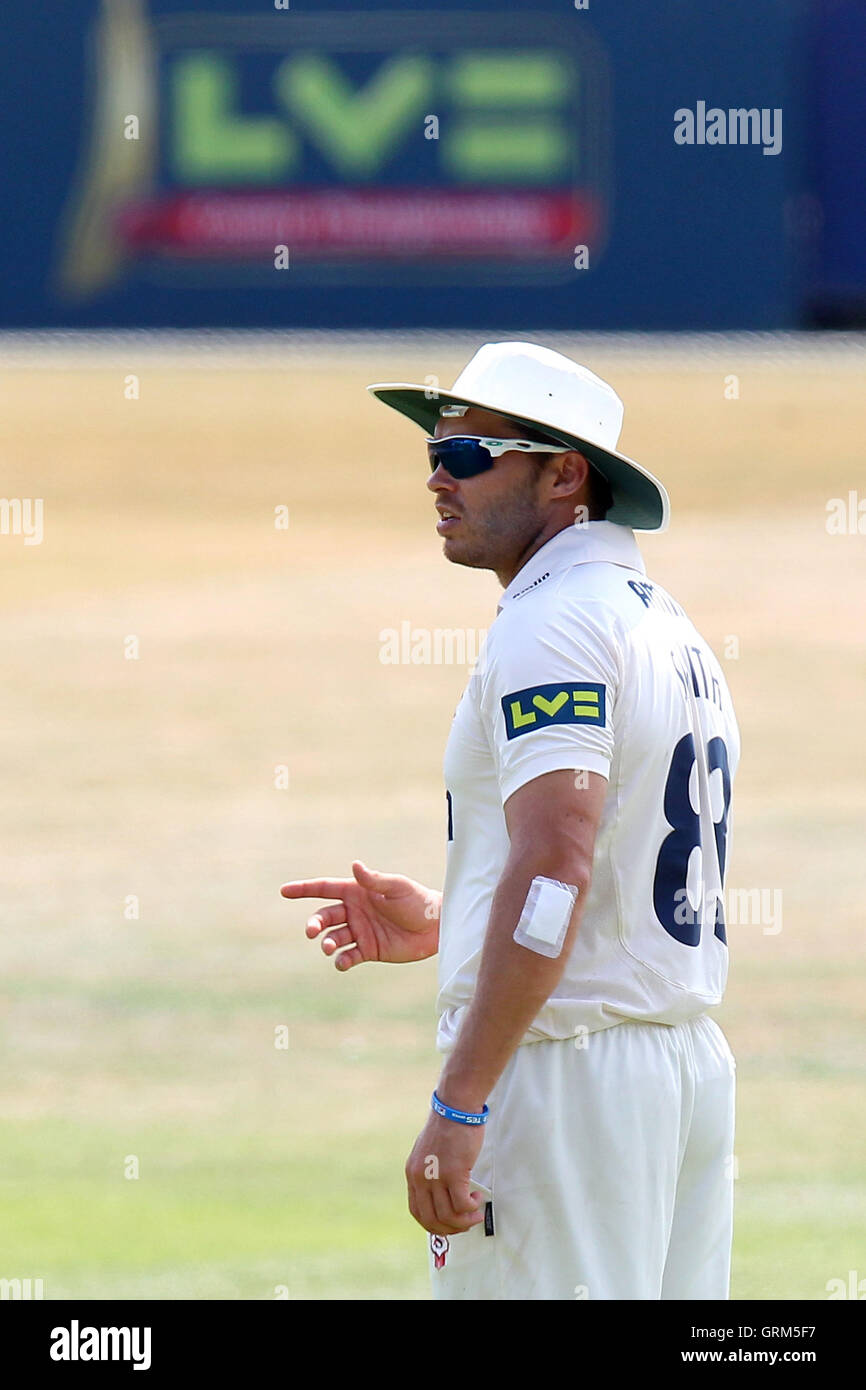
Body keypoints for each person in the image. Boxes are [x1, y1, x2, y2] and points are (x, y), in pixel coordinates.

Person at [281, 341, 739, 1300]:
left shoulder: (555, 621)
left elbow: (557, 866)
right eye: (433, 458)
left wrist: (461, 1098)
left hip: (568, 1083)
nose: (438, 482)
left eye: (467, 457)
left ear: (565, 474)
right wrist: (457, 924)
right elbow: (607, 877)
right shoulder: (663, 621)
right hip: (678, 1073)